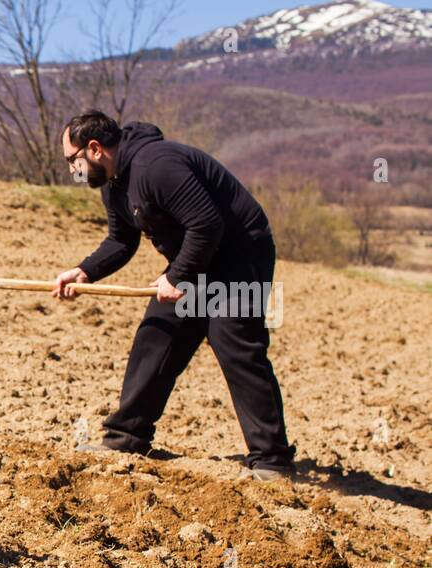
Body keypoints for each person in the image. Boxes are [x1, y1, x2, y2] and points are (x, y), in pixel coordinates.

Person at [52, 110, 295, 480]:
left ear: (95, 149)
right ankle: (127, 435)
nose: (73, 170)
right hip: (195, 256)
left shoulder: (157, 166)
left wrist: (177, 275)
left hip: (239, 255)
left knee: (236, 346)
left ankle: (272, 461)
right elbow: (121, 240)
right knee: (157, 334)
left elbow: (208, 224)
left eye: (73, 161)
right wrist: (84, 271)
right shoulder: (115, 185)